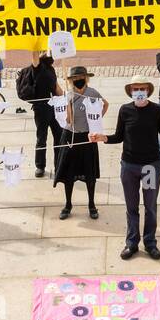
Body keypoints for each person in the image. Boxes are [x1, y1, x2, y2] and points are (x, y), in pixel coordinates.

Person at [93, 76, 160, 261]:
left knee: (150, 206)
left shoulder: (157, 110)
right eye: (135, 88)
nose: (138, 91)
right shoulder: (125, 110)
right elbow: (119, 136)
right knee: (131, 207)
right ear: (130, 91)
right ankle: (132, 243)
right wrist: (103, 137)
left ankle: (150, 242)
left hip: (150, 167)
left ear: (147, 90)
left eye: (142, 88)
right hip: (129, 166)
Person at [55, 67, 106, 220]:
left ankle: (91, 204)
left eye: (81, 77)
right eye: (75, 78)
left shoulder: (93, 93)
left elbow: (105, 104)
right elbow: (68, 120)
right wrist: (68, 103)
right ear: (70, 80)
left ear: (86, 78)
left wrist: (97, 119)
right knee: (68, 174)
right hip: (70, 137)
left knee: (90, 174)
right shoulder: (69, 95)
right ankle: (68, 204)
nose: (78, 80)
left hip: (87, 137)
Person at [17, 50, 63, 178]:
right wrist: (36, 44)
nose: (49, 54)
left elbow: (56, 87)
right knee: (41, 138)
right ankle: (40, 166)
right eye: (46, 52)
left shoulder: (50, 69)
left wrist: (66, 99)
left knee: (59, 136)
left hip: (54, 106)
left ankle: (59, 164)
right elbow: (34, 55)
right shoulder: (37, 66)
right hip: (41, 108)